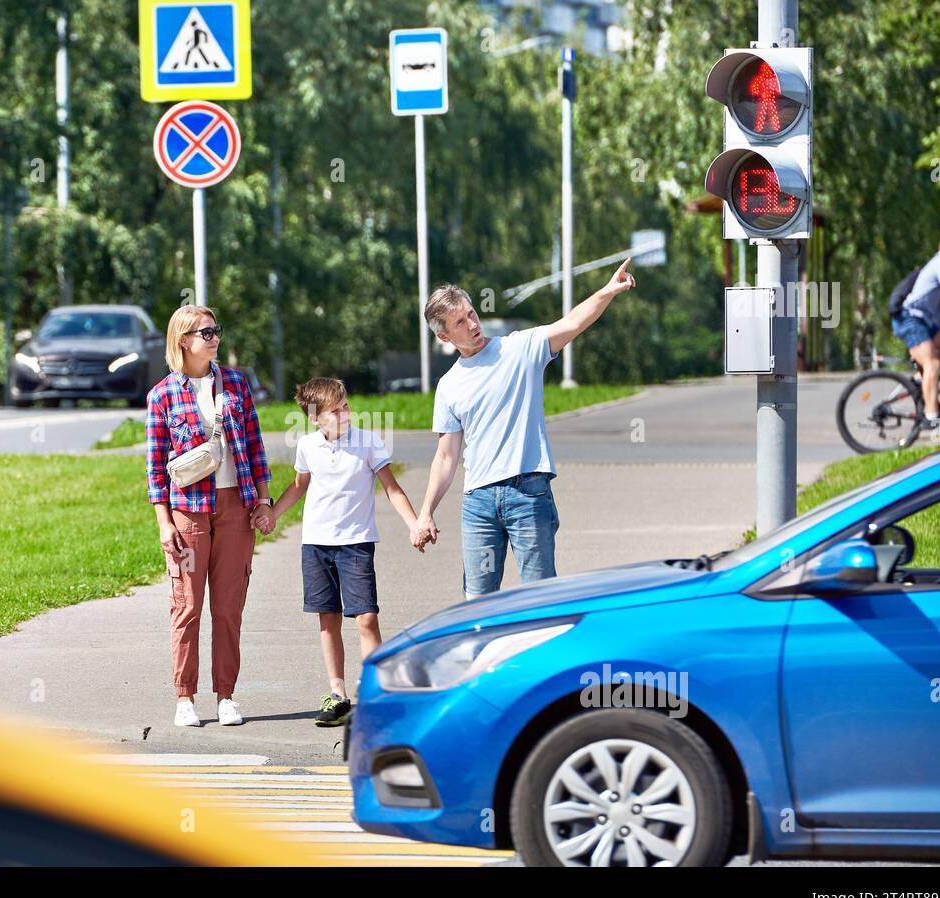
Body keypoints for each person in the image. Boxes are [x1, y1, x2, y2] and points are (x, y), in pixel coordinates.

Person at [412, 259, 636, 598]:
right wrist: (425, 512)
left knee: (539, 598)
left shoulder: (519, 348)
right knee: (478, 603)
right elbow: (445, 457)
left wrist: (607, 291)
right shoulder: (448, 386)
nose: (472, 322)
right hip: (479, 504)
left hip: (528, 494)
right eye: (460, 321)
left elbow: (572, 322)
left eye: (471, 313)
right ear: (444, 335)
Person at [146, 305, 276, 728]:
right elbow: (154, 468)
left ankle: (226, 696)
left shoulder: (236, 384)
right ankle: (185, 697)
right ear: (183, 340)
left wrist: (263, 500)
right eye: (206, 332)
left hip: (236, 508)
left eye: (216, 330)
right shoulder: (162, 395)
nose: (214, 337)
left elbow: (255, 447)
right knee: (187, 605)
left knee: (228, 607)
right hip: (188, 513)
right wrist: (164, 522)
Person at [271, 378, 421, 726]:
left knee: (366, 617)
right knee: (329, 619)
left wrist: (414, 523)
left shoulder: (368, 442)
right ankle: (337, 694)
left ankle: (374, 693)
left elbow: (392, 488)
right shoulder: (307, 446)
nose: (344, 414)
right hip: (317, 544)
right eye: (334, 411)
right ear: (314, 418)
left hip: (356, 543)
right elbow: (298, 488)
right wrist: (272, 514)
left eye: (346, 406)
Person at [894, 223, 940, 438]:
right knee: (932, 362)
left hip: (924, 320)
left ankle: (920, 380)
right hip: (910, 318)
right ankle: (930, 416)